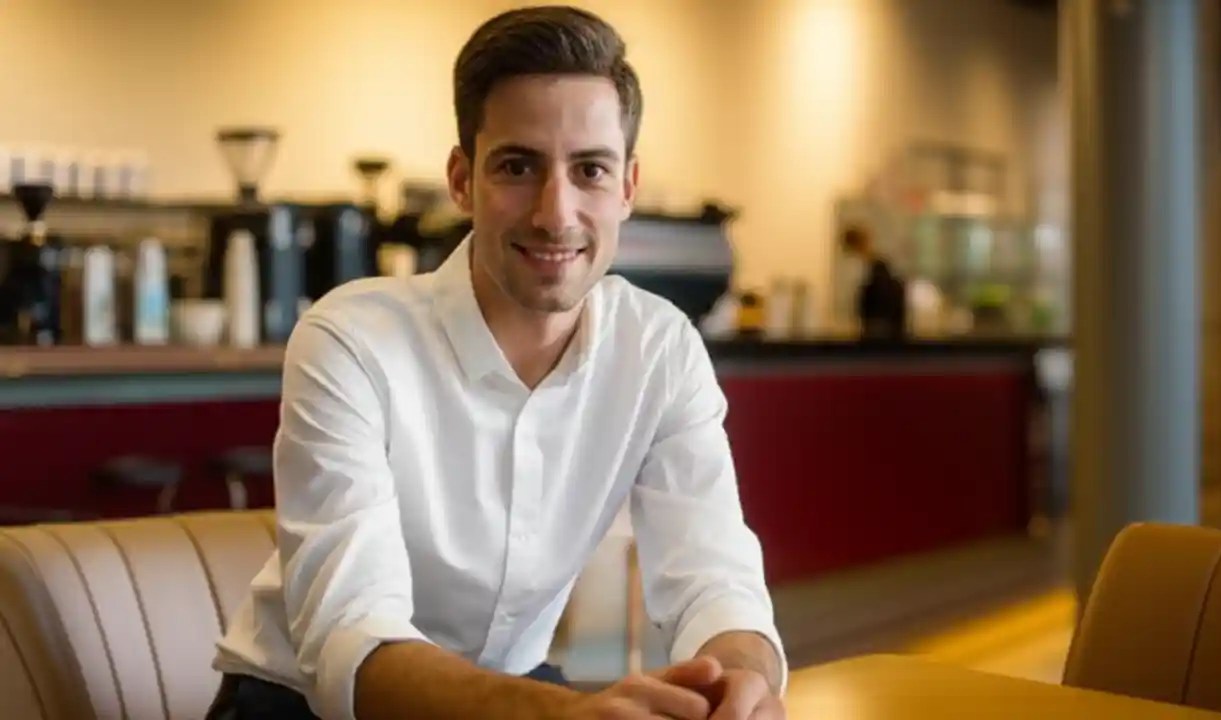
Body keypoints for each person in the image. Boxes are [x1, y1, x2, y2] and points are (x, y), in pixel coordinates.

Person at [206, 6, 786, 720]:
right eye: (518, 166)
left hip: (515, 693)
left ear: (627, 187)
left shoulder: (659, 347)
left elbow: (715, 577)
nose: (555, 213)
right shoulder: (351, 340)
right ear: (461, 179)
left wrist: (741, 681)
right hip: (304, 705)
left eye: (590, 170)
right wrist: (559, 714)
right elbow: (349, 638)